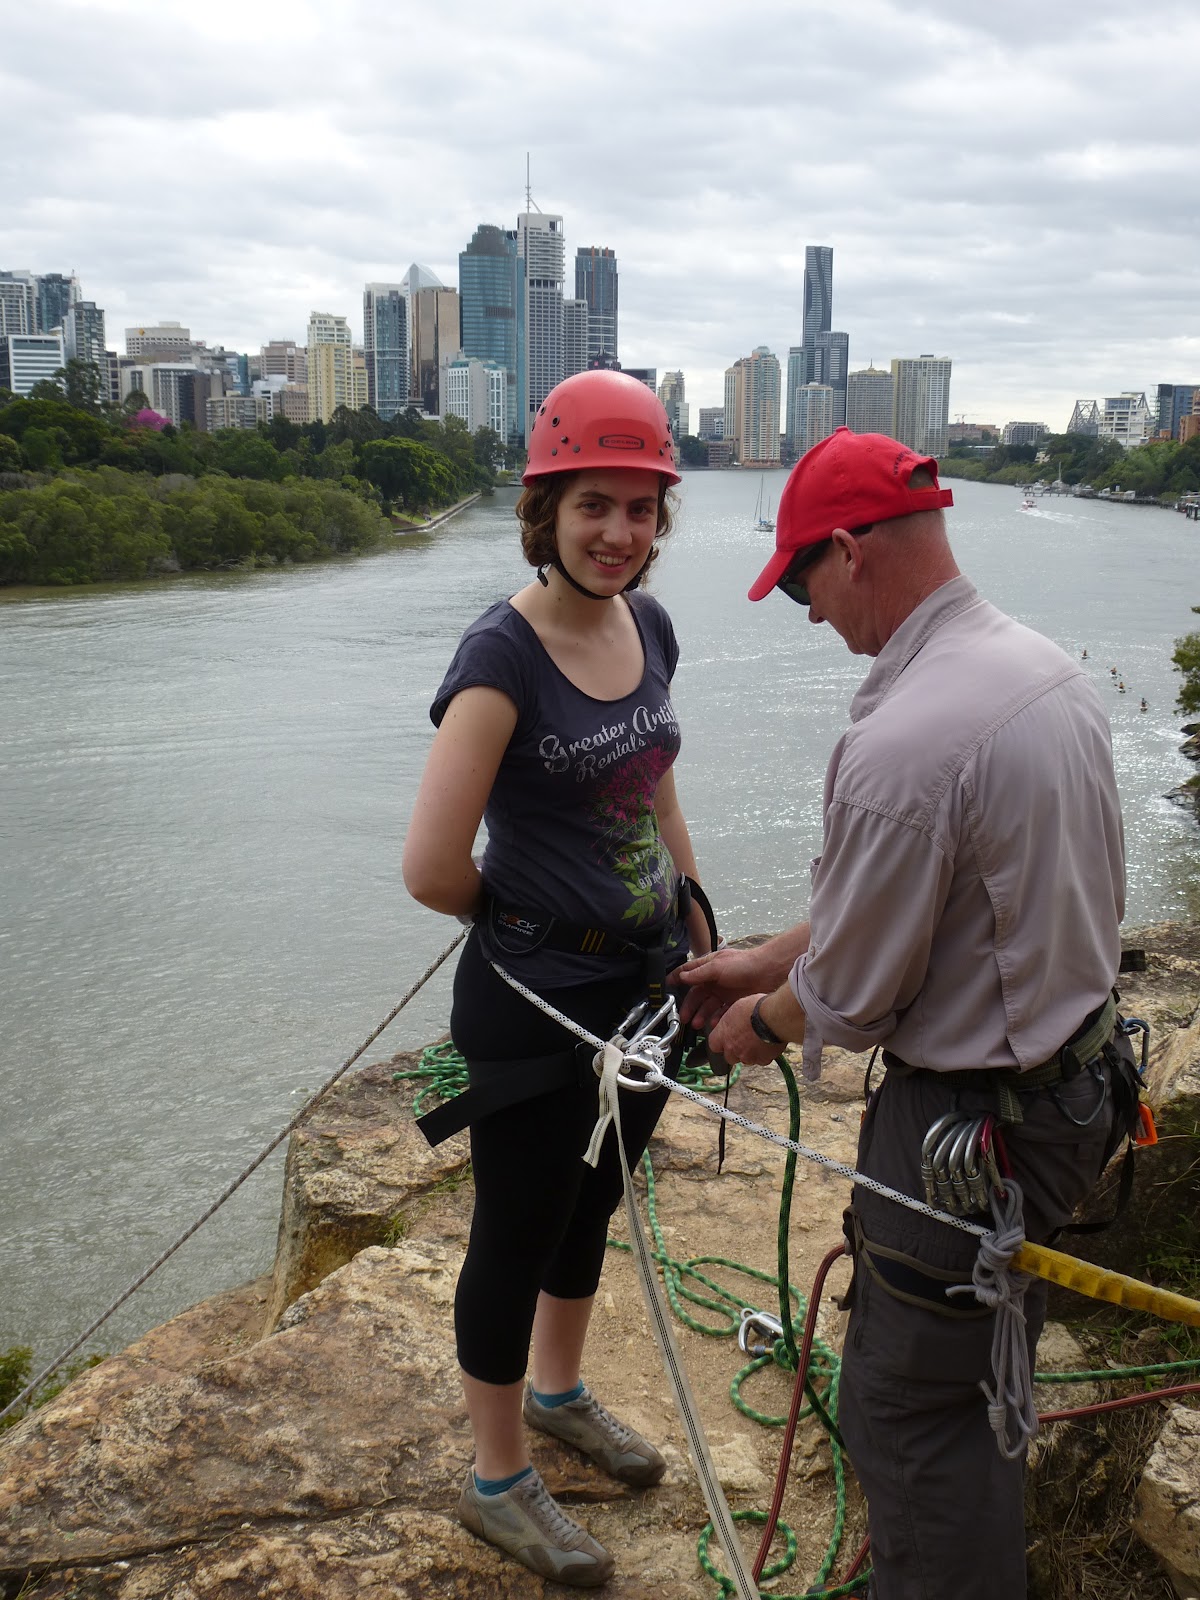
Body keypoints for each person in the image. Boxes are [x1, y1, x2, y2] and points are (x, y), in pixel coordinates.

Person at [677, 428, 1130, 1600]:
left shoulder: (906, 741)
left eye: (804, 588)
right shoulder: (1043, 672)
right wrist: (762, 957)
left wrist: (760, 1021)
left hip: (970, 1135)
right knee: (978, 1372)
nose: (811, 617)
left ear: (850, 550)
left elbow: (857, 994)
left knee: (908, 1411)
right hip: (1073, 1091)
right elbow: (926, 898)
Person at [403, 369, 710, 1588]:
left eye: (639, 508)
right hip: (537, 1001)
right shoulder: (502, 657)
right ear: (546, 509)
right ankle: (497, 1481)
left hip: (643, 984)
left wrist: (693, 914)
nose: (618, 532)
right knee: (515, 1230)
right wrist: (533, 921)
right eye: (594, 505)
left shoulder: (650, 626)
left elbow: (656, 788)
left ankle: (560, 1391)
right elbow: (433, 866)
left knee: (592, 1207)